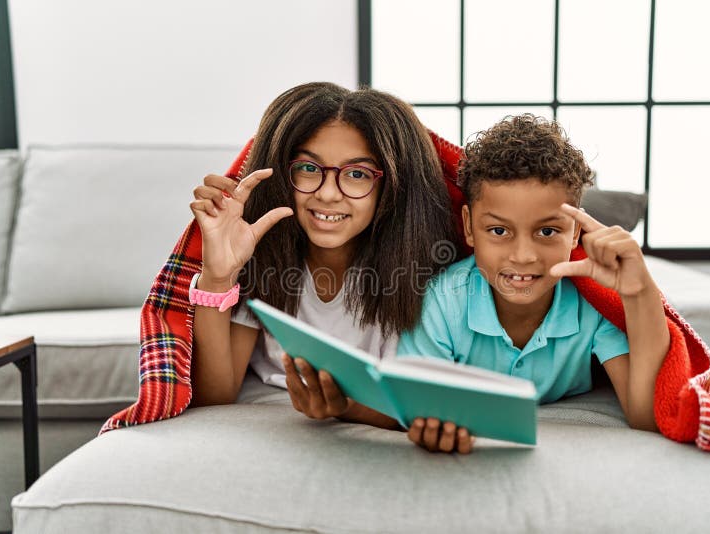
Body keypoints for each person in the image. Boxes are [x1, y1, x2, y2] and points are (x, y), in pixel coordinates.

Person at [187, 82, 459, 429]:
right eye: (308, 168)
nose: (328, 194)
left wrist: (345, 406)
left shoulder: (418, 275)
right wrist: (218, 275)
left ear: (392, 186)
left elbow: (413, 403)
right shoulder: (264, 255)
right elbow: (216, 396)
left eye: (358, 174)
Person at [398, 114, 671, 454]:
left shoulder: (594, 302)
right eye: (498, 231)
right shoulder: (443, 301)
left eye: (547, 231)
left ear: (574, 231)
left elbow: (646, 415)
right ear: (469, 226)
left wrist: (640, 290)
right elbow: (414, 403)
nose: (523, 256)